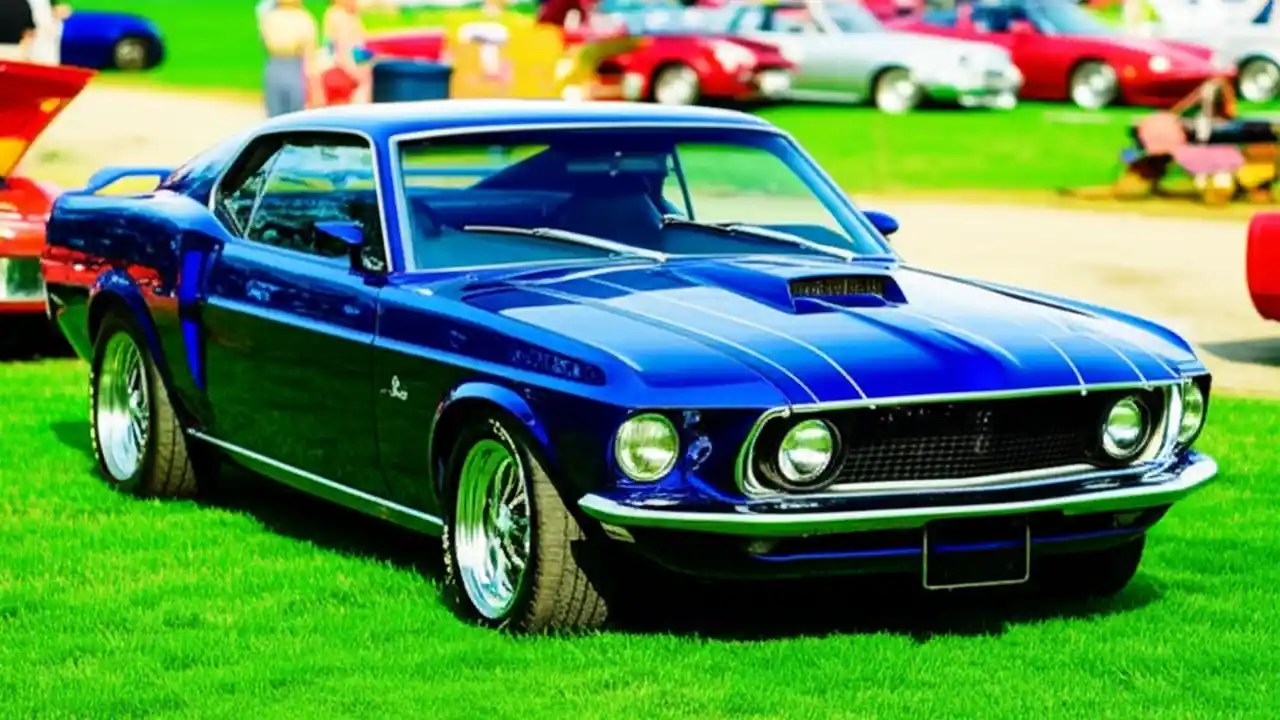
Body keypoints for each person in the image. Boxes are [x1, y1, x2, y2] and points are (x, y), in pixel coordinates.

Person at [257, 0, 322, 117]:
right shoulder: (271, 16)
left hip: (294, 64)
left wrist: (315, 84)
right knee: (275, 111)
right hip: (276, 63)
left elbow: (310, 53)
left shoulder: (303, 18)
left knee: (295, 110)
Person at [321, 0, 372, 105]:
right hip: (348, 76)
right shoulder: (337, 16)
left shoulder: (351, 17)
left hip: (354, 73)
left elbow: (358, 47)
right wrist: (359, 75)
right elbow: (343, 50)